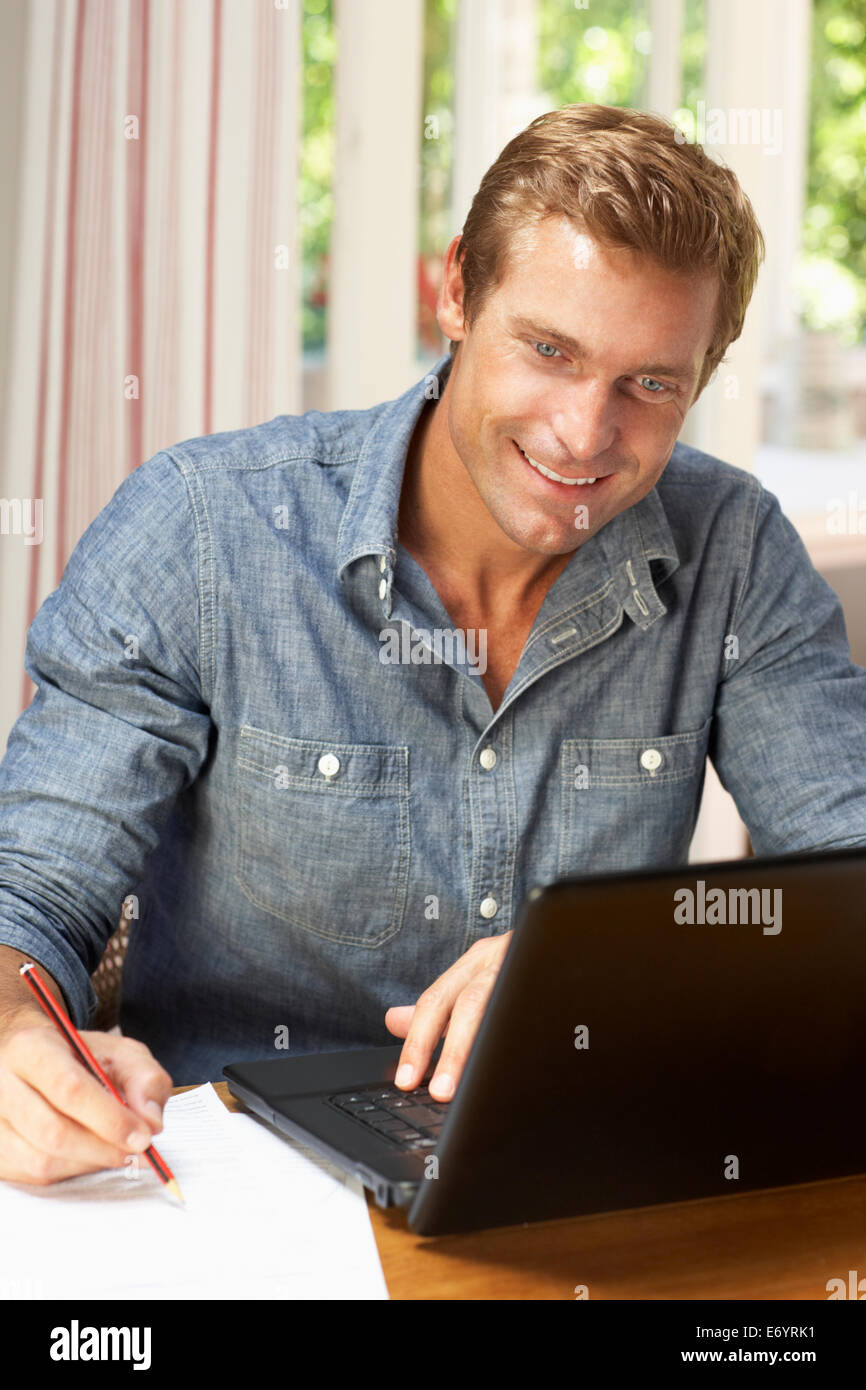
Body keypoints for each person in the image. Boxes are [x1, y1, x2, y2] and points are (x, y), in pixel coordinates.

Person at [1, 103, 864, 1188]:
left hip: (575, 1176)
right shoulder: (202, 529)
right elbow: (27, 891)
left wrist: (606, 981)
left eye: (649, 385)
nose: (582, 434)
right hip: (236, 1193)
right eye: (548, 350)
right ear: (455, 290)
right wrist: (13, 1038)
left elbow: (847, 894)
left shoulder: (733, 550)